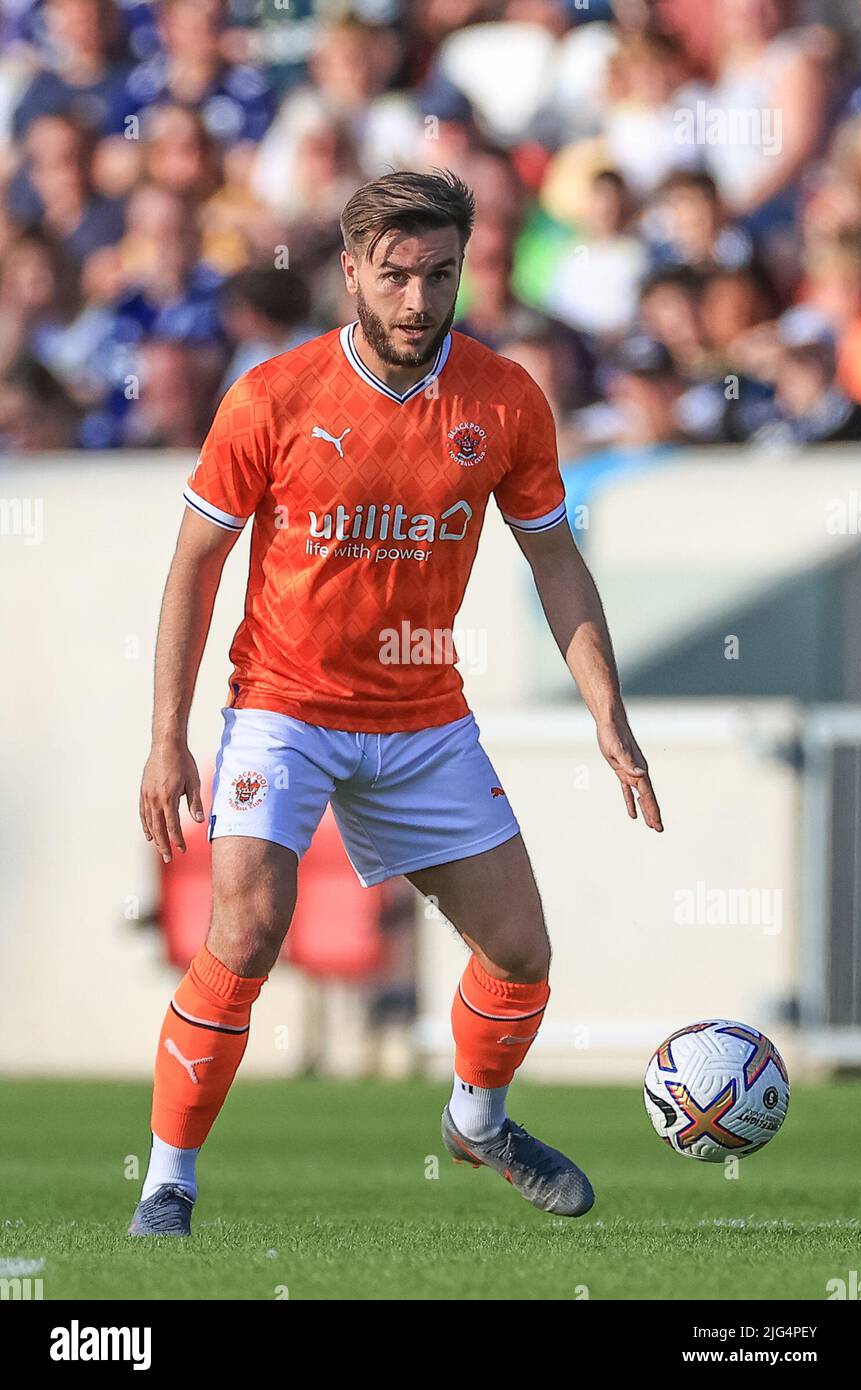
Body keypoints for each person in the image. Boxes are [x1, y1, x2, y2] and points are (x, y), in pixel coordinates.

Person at [129, 168, 663, 1238]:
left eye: (441, 275)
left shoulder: (504, 399)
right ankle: (167, 1182)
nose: (419, 300)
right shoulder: (273, 397)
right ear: (352, 274)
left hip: (422, 717)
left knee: (520, 951)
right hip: (283, 704)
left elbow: (555, 559)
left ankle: (478, 1121)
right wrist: (166, 738)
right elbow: (195, 562)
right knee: (248, 927)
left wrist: (607, 710)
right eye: (397, 276)